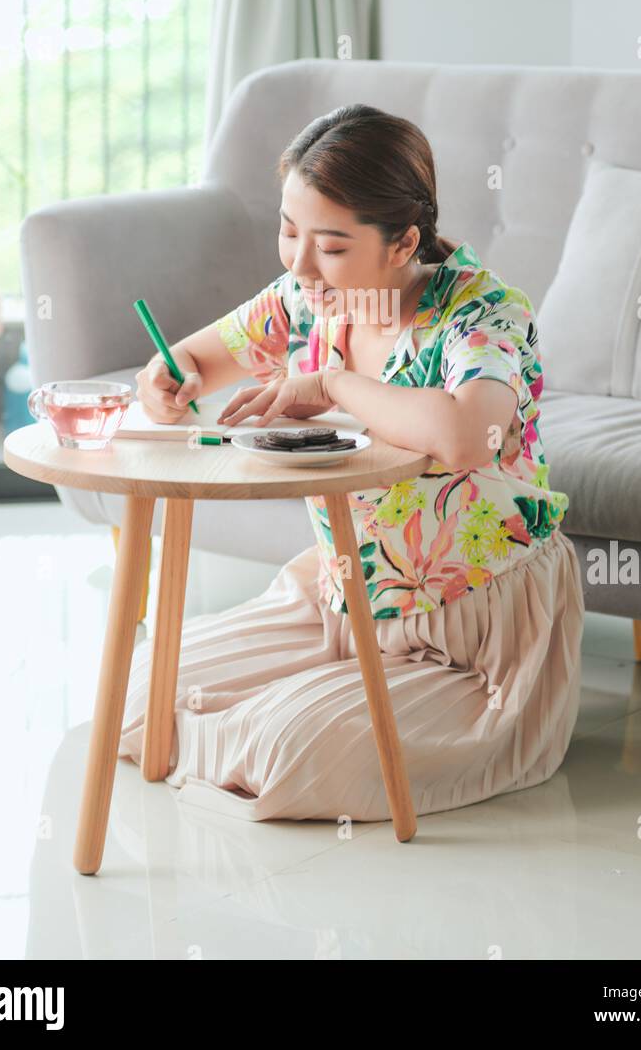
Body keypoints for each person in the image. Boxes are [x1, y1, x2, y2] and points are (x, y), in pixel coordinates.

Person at [118, 104, 584, 823]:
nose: (300, 264)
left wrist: (332, 383)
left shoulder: (480, 313)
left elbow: (468, 435)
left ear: (403, 242)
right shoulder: (308, 297)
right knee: (138, 685)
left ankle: (266, 726)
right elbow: (192, 360)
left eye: (331, 245)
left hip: (473, 635)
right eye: (288, 229)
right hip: (348, 598)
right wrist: (166, 377)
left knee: (290, 749)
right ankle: (259, 718)